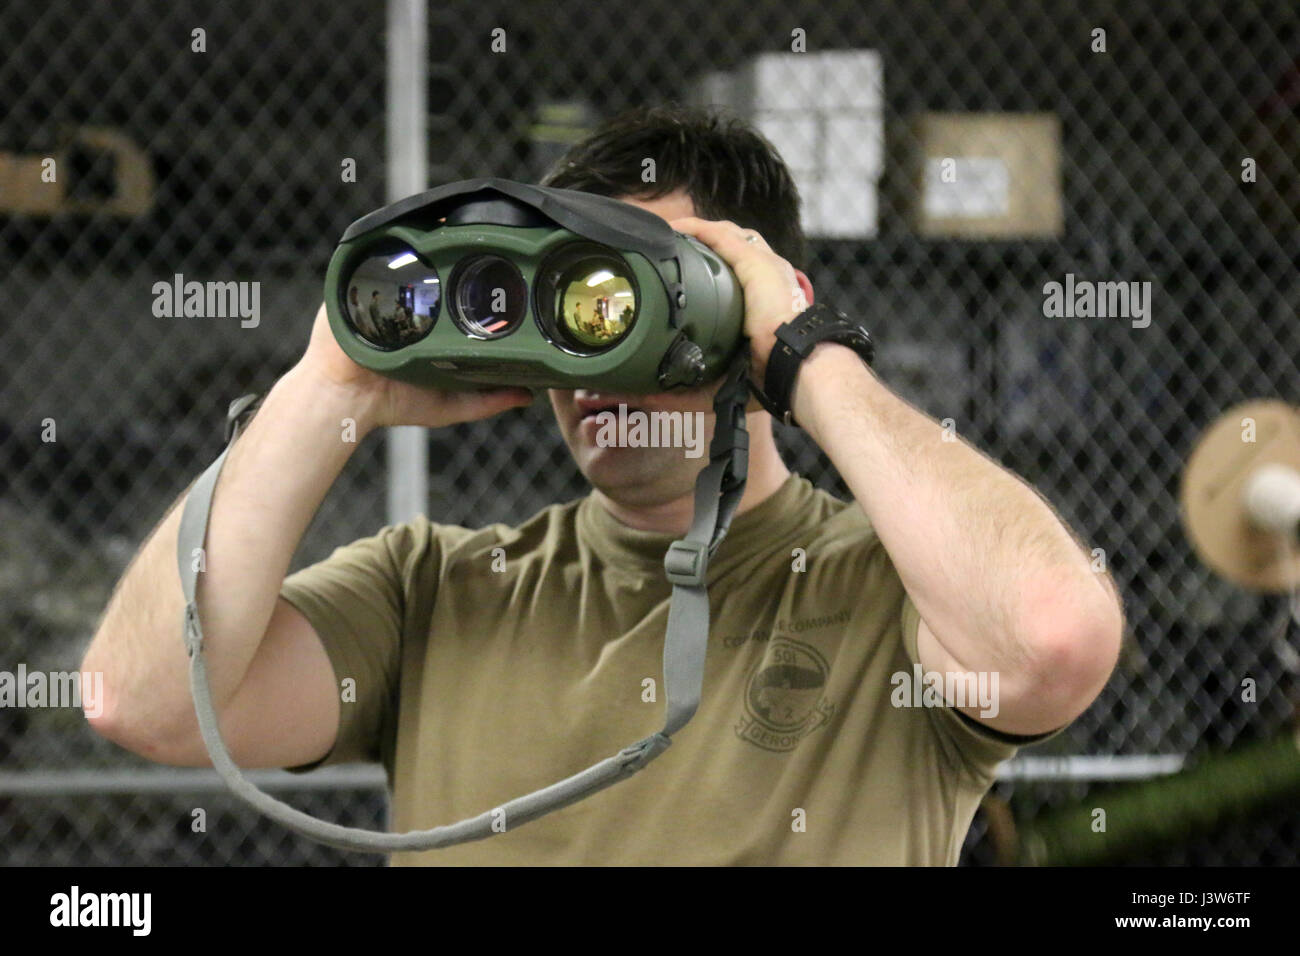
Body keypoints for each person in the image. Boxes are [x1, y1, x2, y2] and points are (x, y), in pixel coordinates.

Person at [82, 104, 1124, 865]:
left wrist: (803, 355)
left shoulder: (890, 589)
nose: (597, 363)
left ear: (760, 304)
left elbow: (1050, 635)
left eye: (631, 296)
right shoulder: (434, 587)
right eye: (571, 302)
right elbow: (143, 699)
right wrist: (327, 390)